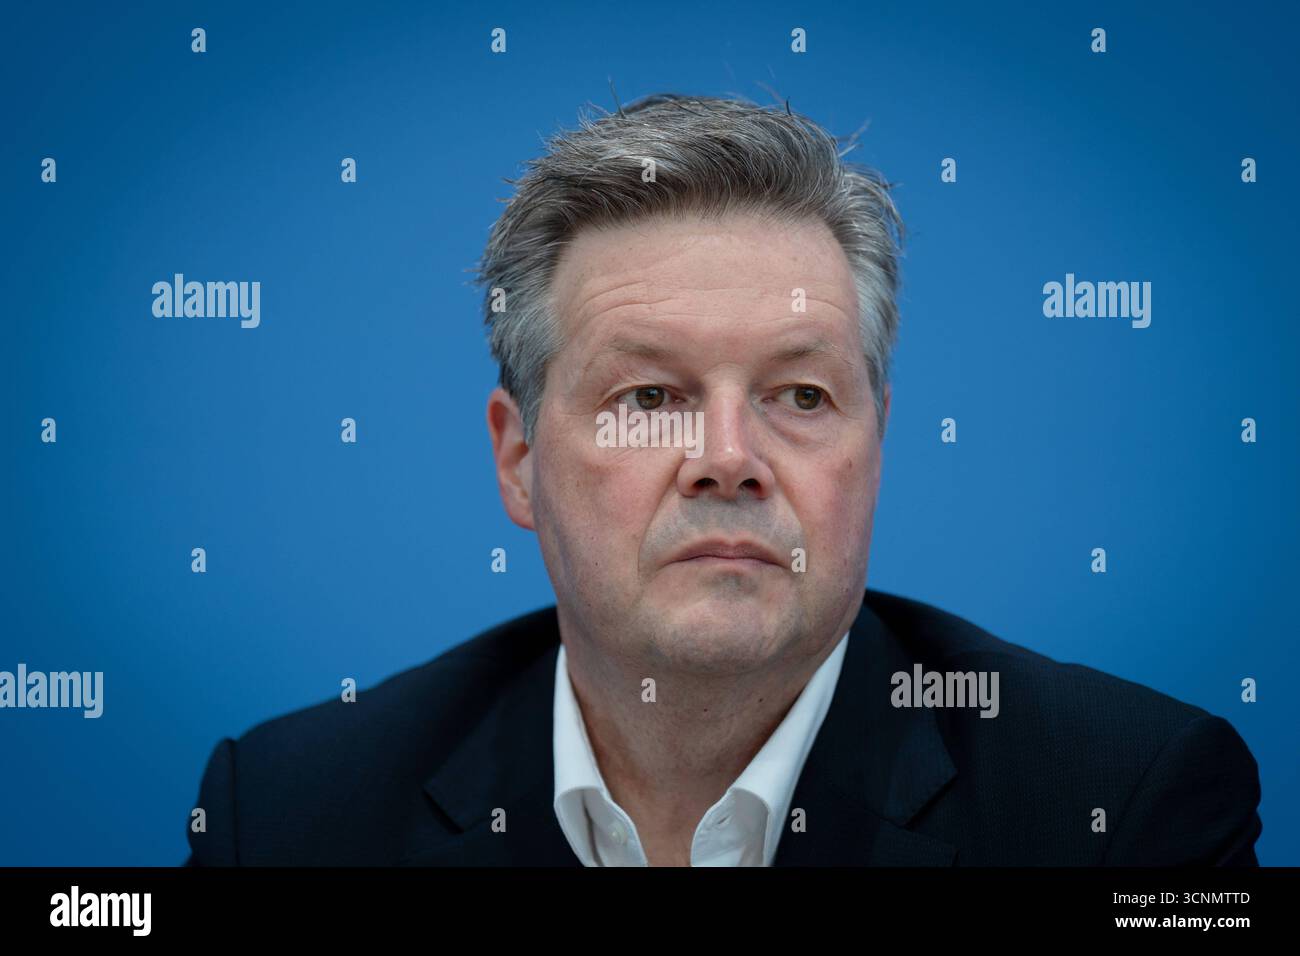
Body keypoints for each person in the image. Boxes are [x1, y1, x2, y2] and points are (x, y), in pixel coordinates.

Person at [185, 94, 1261, 866]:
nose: (728, 459)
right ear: (518, 458)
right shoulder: (288, 812)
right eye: (649, 397)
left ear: (873, 447)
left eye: (800, 397)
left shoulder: (1119, 803)